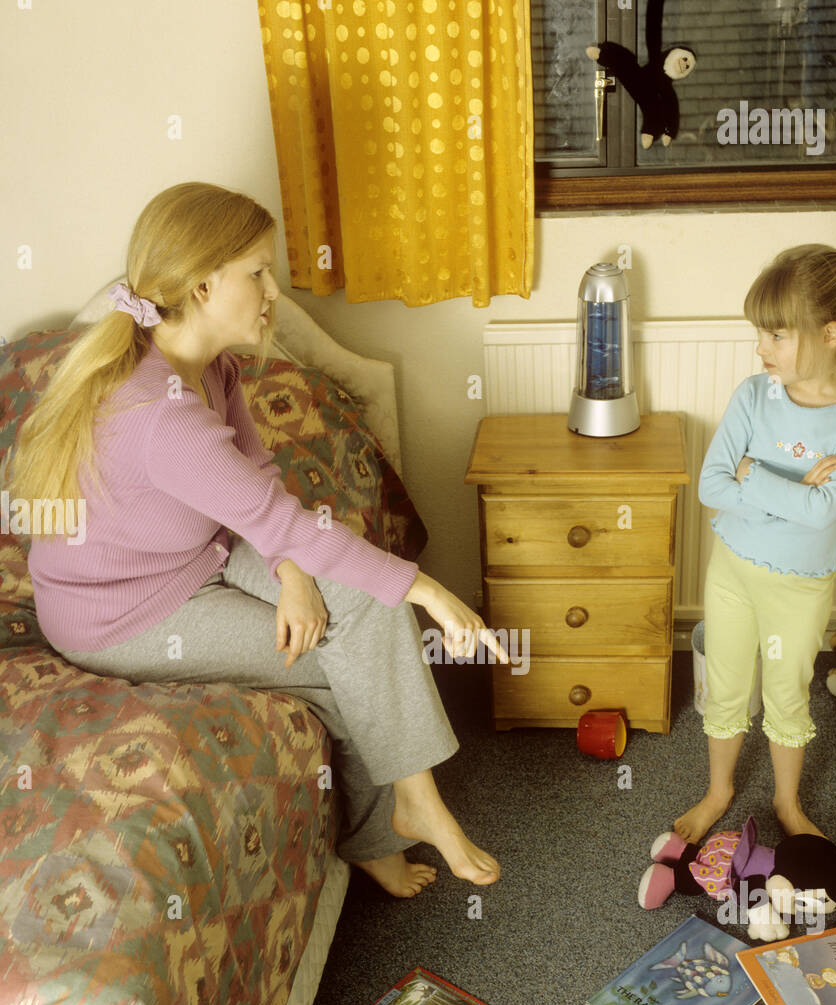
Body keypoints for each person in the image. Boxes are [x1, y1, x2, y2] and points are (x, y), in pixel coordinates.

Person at [13, 182, 505, 898]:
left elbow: (263, 483)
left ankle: (413, 801)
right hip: (124, 610)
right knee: (338, 658)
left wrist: (295, 574)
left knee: (368, 608)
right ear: (204, 284)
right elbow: (287, 522)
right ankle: (392, 823)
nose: (273, 289)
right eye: (258, 272)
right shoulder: (161, 417)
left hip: (197, 546)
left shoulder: (210, 364)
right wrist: (430, 590)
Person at [675, 243, 836, 845]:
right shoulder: (752, 394)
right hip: (732, 572)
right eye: (759, 334)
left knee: (785, 693)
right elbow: (711, 487)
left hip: (799, 587)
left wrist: (754, 473)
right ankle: (719, 791)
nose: (760, 349)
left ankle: (787, 802)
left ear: (829, 334)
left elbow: (823, 511)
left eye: (775, 335)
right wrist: (789, 488)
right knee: (724, 684)